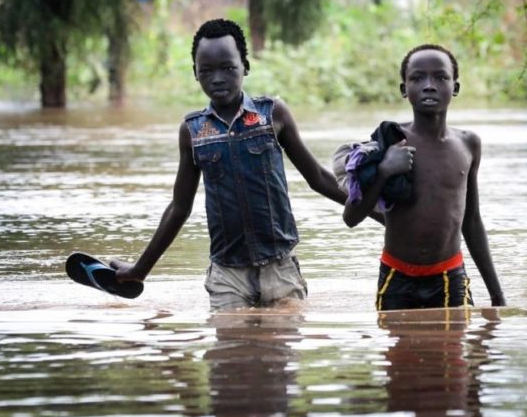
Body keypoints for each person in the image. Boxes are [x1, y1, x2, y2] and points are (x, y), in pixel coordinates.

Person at [111, 18, 353, 310]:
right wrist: (140, 270)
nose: (217, 78)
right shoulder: (194, 131)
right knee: (230, 350)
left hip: (280, 268)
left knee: (279, 349)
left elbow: (318, 178)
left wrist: (383, 216)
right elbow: (179, 208)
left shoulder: (272, 115)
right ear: (195, 74)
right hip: (227, 275)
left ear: (245, 67)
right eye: (207, 71)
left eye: (227, 68)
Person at [343, 44, 506, 310]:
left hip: (449, 276)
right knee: (399, 350)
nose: (429, 85)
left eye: (440, 77)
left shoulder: (468, 144)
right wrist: (384, 170)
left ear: (455, 87)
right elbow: (351, 217)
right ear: (403, 89)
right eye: (417, 78)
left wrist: (497, 296)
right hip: (396, 277)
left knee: (455, 350)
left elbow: (472, 221)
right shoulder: (388, 141)